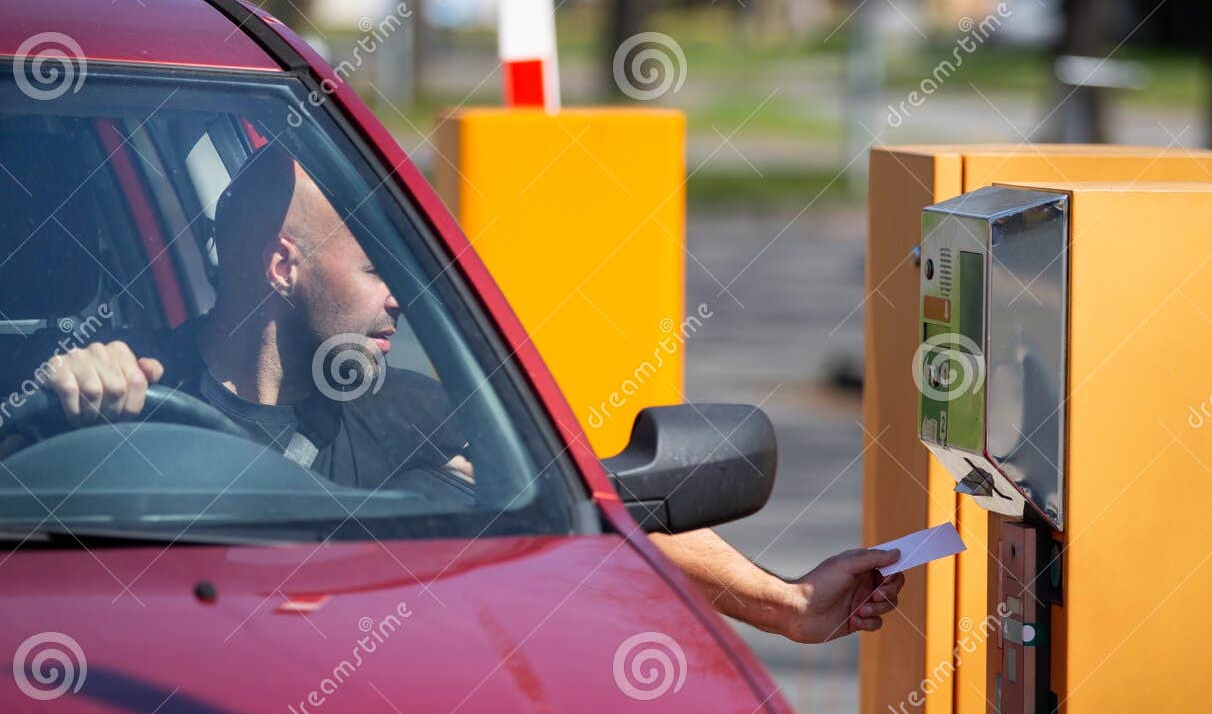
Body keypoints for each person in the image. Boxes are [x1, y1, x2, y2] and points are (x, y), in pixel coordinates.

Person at [35, 145, 903, 643]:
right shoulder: (131, 387)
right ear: (282, 265)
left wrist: (784, 604)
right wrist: (73, 404)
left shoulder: (413, 414)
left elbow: (590, 499)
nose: (399, 299)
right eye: (377, 270)